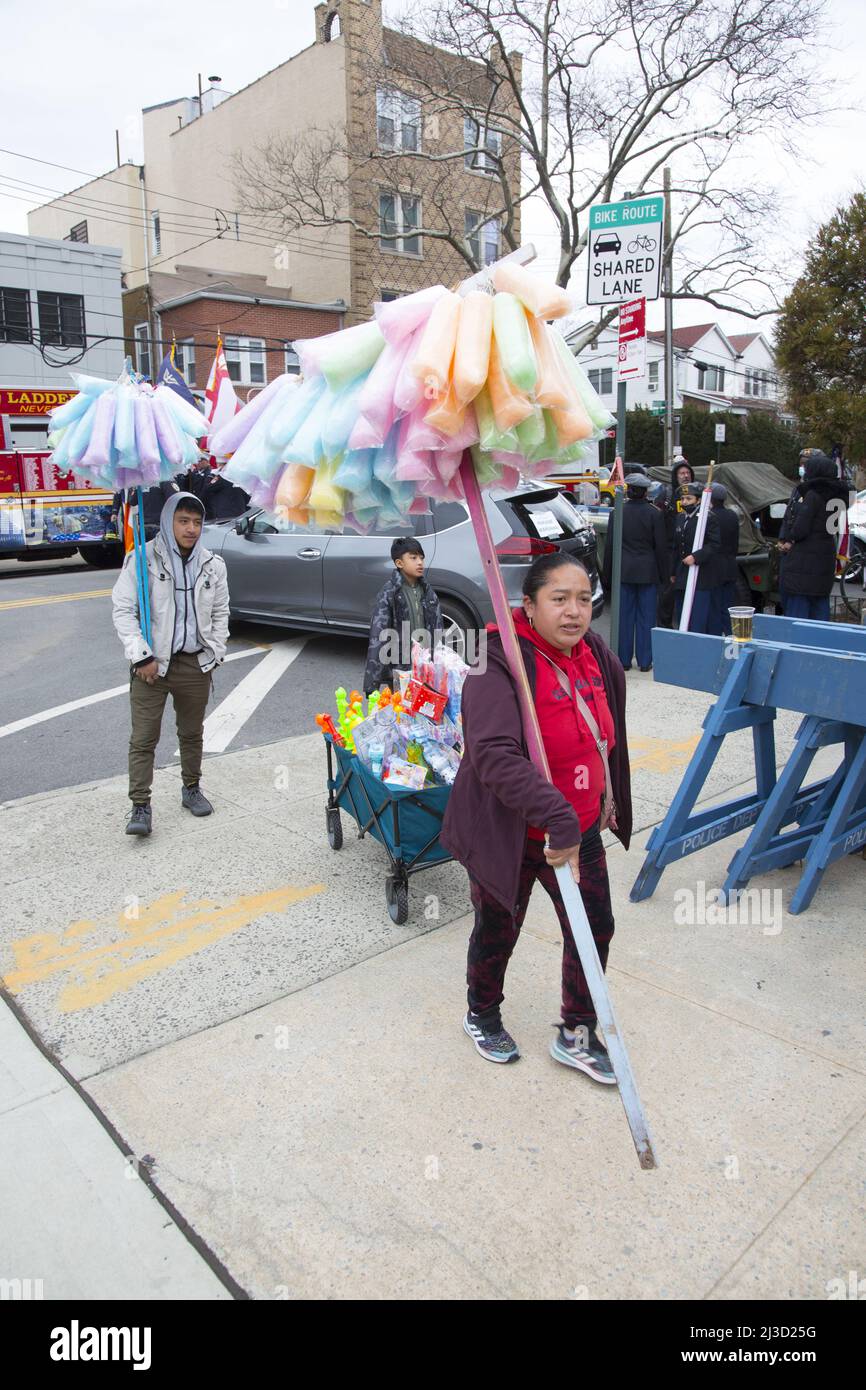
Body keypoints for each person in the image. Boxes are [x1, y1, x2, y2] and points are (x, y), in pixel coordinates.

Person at [440, 552, 632, 1084]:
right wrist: (555, 813)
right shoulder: (494, 660)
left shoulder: (593, 651)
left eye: (583, 599)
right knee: (499, 927)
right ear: (529, 604)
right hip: (515, 832)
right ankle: (482, 1012)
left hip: (580, 827)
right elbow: (493, 754)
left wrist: (592, 805)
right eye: (559, 599)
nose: (574, 611)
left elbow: (605, 730)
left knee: (594, 928)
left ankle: (576, 1035)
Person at [111, 492, 230, 836]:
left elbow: (221, 612)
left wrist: (216, 652)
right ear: (168, 522)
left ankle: (191, 788)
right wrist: (141, 655)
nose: (191, 529)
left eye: (196, 522)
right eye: (183, 521)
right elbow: (123, 610)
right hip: (152, 667)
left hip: (196, 664)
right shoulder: (142, 560)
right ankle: (140, 806)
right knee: (144, 738)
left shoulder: (213, 565)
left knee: (192, 734)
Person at [602, 473, 668, 670]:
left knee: (624, 618)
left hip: (623, 571)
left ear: (628, 490)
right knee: (646, 618)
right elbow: (661, 548)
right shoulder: (654, 514)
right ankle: (645, 661)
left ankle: (623, 660)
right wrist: (665, 577)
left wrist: (607, 576)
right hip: (647, 571)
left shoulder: (617, 513)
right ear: (645, 492)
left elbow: (610, 547)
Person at [363, 537, 443, 695]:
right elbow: (378, 637)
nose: (419, 562)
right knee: (402, 712)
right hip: (400, 668)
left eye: (421, 557)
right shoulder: (389, 593)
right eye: (413, 558)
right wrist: (372, 683)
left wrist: (439, 663)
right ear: (399, 563)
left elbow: (438, 630)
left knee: (425, 711)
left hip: (425, 666)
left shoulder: (428, 592)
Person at [778, 452, 849, 621]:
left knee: (799, 616)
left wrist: (789, 539)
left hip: (804, 559)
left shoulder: (813, 495)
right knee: (819, 612)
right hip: (826, 555)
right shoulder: (840, 496)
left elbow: (801, 528)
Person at [672, 481, 721, 632]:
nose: (685, 502)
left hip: (701, 576)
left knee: (697, 619)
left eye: (689, 499)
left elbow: (714, 544)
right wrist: (673, 572)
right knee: (682, 617)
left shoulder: (708, 518)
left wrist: (696, 557)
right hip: (682, 575)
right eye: (683, 499)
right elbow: (677, 547)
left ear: (698, 500)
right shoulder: (681, 518)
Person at [707, 483, 740, 635]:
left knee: (714, 607)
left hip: (713, 568)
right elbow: (735, 544)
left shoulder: (708, 517)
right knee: (728, 607)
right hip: (730, 565)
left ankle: (715, 639)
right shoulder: (733, 516)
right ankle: (730, 637)